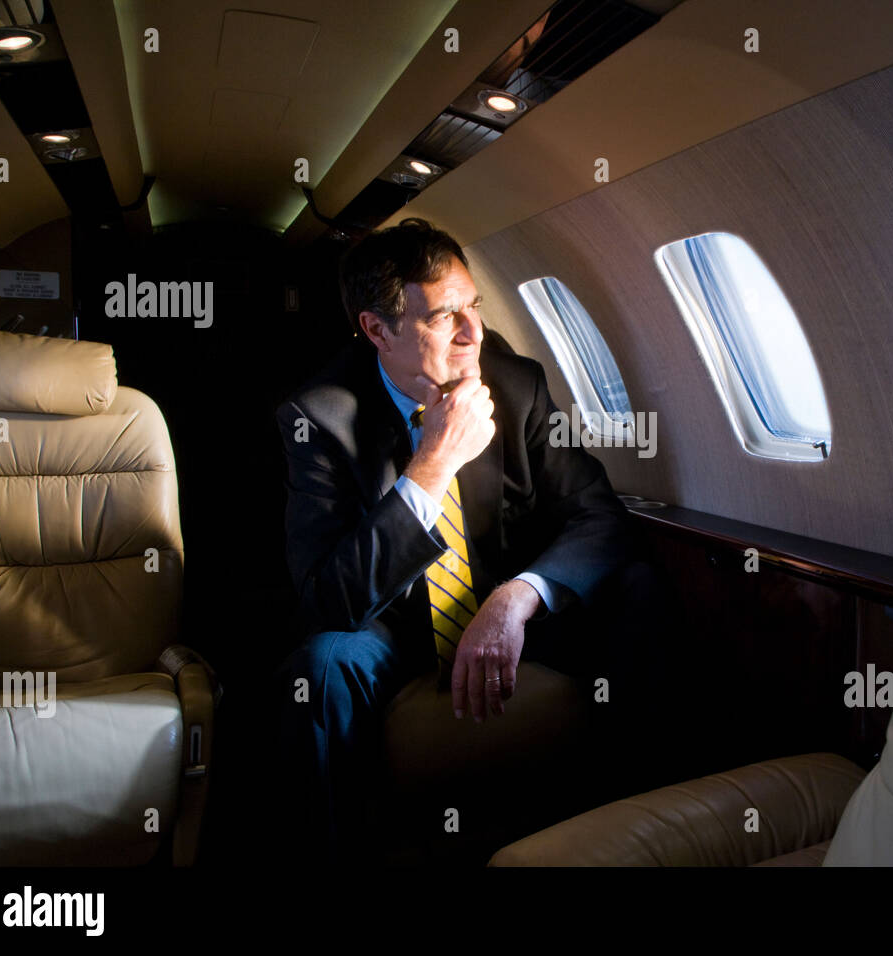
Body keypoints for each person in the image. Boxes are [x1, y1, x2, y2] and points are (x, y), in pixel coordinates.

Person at [272, 218, 644, 857]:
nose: (474, 332)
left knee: (637, 588)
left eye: (474, 305)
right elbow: (326, 599)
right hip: (395, 627)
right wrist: (432, 465)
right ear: (377, 330)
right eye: (446, 318)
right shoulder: (319, 417)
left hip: (505, 606)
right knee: (323, 665)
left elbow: (598, 516)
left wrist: (516, 598)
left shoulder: (517, 382)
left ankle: (631, 833)